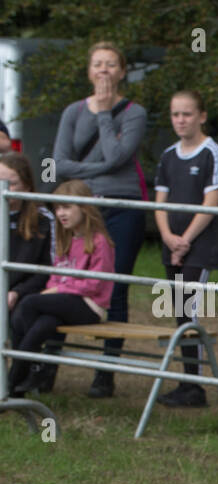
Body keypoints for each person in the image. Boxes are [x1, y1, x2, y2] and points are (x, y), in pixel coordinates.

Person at [52, 41, 148, 398]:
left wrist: (106, 113)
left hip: (122, 207)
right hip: (82, 209)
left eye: (110, 64)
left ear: (121, 71)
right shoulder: (73, 112)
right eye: (98, 64)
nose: (104, 70)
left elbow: (120, 156)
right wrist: (100, 168)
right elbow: (61, 163)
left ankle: (105, 373)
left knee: (115, 286)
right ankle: (47, 366)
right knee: (65, 280)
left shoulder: (134, 113)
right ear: (89, 71)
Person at [152, 90, 218, 408]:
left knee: (189, 311)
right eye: (175, 114)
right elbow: (160, 203)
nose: (180, 120)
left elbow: (210, 204)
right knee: (178, 310)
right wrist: (169, 236)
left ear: (201, 116)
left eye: (186, 114)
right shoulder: (169, 155)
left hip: (200, 246)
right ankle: (187, 381)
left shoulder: (212, 152)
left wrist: (185, 240)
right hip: (172, 244)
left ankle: (194, 384)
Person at [7, 180, 113, 396]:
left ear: (84, 208)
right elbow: (55, 276)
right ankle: (20, 386)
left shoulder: (100, 242)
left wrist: (58, 289)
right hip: (65, 303)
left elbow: (94, 284)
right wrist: (55, 289)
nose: (61, 214)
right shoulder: (66, 240)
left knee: (29, 302)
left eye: (67, 207)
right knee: (43, 324)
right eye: (57, 209)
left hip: (89, 306)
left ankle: (16, 378)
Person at [1, 153, 53, 316]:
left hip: (23, 293)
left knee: (24, 313)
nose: (3, 189)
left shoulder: (42, 221)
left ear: (27, 186)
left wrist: (17, 292)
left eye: (12, 184)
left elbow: (45, 269)